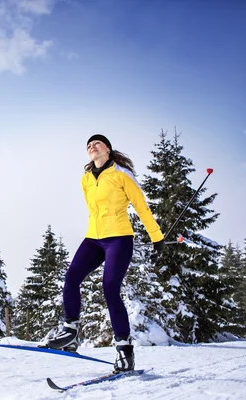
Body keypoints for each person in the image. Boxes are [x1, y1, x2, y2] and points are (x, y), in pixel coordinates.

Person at [44, 134, 165, 373]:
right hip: (93, 238)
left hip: (119, 237)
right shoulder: (86, 179)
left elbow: (141, 205)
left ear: (107, 149)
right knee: (71, 278)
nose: (92, 147)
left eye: (97, 143)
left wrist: (156, 236)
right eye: (89, 145)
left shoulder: (121, 174)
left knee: (110, 288)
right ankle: (70, 332)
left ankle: (124, 351)